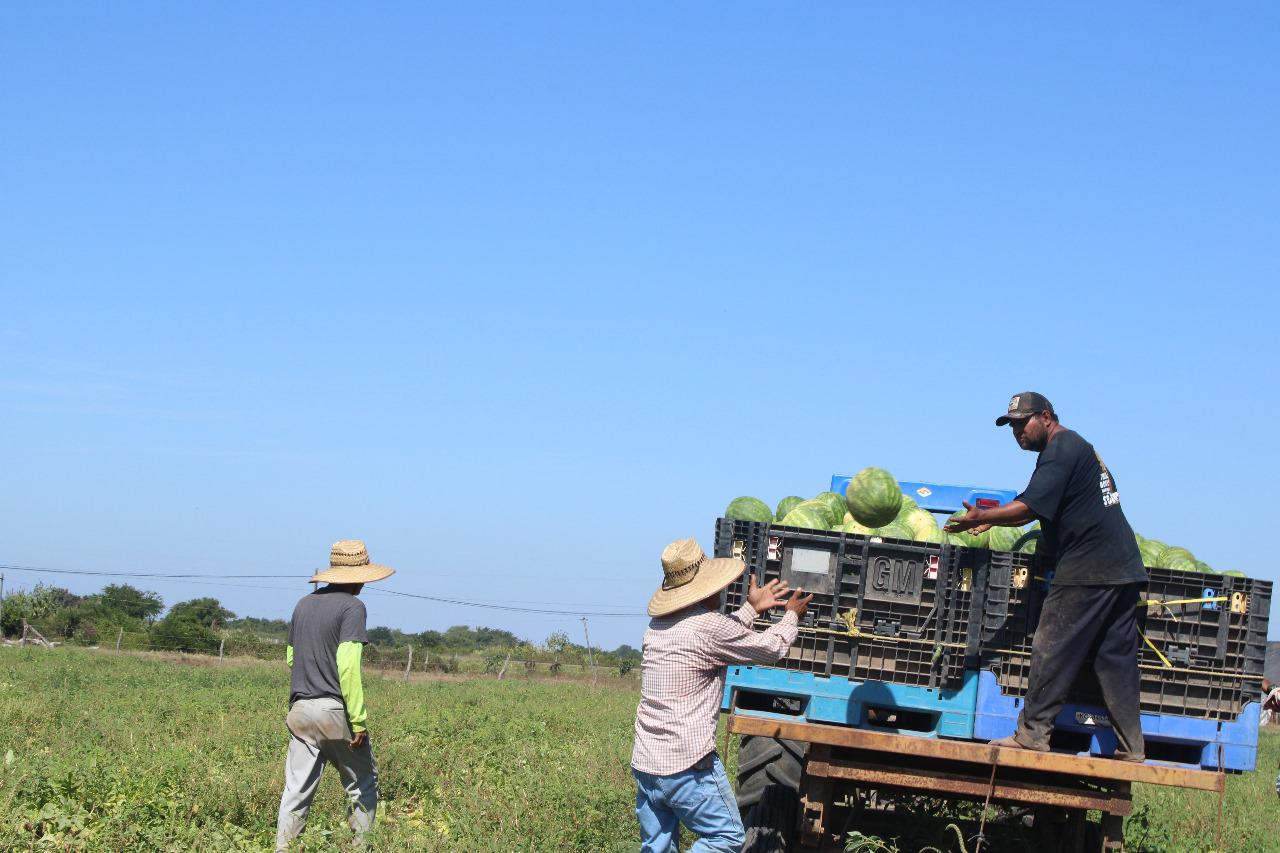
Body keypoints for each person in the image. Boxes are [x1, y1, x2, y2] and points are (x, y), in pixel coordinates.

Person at [946, 392, 1148, 760]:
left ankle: (1033, 734)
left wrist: (983, 516)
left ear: (1046, 416)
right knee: (1114, 658)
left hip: (1090, 567)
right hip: (1121, 566)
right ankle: (1132, 747)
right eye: (1012, 426)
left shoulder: (1060, 449)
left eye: (1023, 423)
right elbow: (1037, 509)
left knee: (1050, 644)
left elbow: (1027, 507)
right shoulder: (1075, 447)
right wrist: (990, 519)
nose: (1018, 432)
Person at [631, 537, 813, 853]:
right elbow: (772, 648)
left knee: (656, 847)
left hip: (647, 762)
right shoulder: (708, 628)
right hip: (687, 765)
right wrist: (792, 615)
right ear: (703, 591)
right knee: (727, 838)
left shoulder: (658, 626)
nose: (721, 590)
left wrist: (751, 608)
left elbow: (714, 638)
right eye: (716, 587)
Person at [275, 540, 395, 852]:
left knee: (296, 792)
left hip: (299, 709)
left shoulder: (303, 604)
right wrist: (358, 721)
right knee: (362, 785)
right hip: (333, 710)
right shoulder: (353, 607)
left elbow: (292, 657)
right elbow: (348, 667)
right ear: (360, 576)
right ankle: (360, 847)